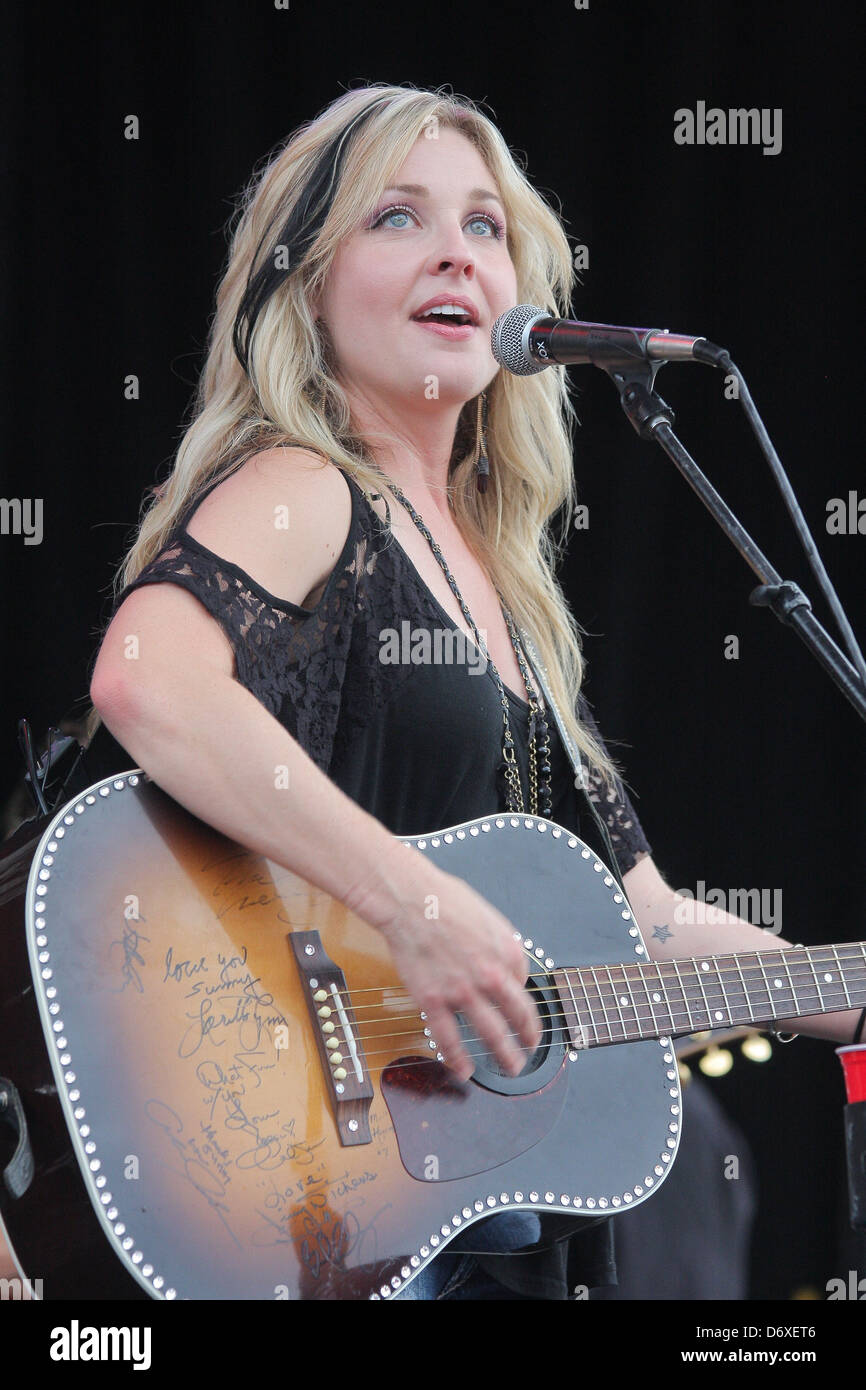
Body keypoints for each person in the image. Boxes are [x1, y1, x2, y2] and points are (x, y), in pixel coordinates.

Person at [87, 83, 864, 1300]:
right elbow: (147, 681)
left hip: (436, 1218)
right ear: (303, 283)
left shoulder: (510, 592)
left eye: (485, 227)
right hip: (284, 1162)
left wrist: (843, 992)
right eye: (395, 218)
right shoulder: (305, 487)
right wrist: (412, 907)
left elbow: (641, 920)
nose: (456, 248)